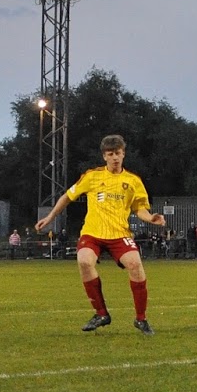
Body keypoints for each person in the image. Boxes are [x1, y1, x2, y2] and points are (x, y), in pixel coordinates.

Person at [35, 133, 167, 334]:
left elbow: (139, 208)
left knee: (136, 265)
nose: (115, 157)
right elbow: (67, 196)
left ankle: (141, 319)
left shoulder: (133, 181)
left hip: (119, 234)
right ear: (104, 156)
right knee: (84, 262)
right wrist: (50, 217)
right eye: (110, 154)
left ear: (124, 155)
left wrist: (150, 218)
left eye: (118, 153)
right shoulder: (92, 176)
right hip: (93, 233)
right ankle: (101, 314)